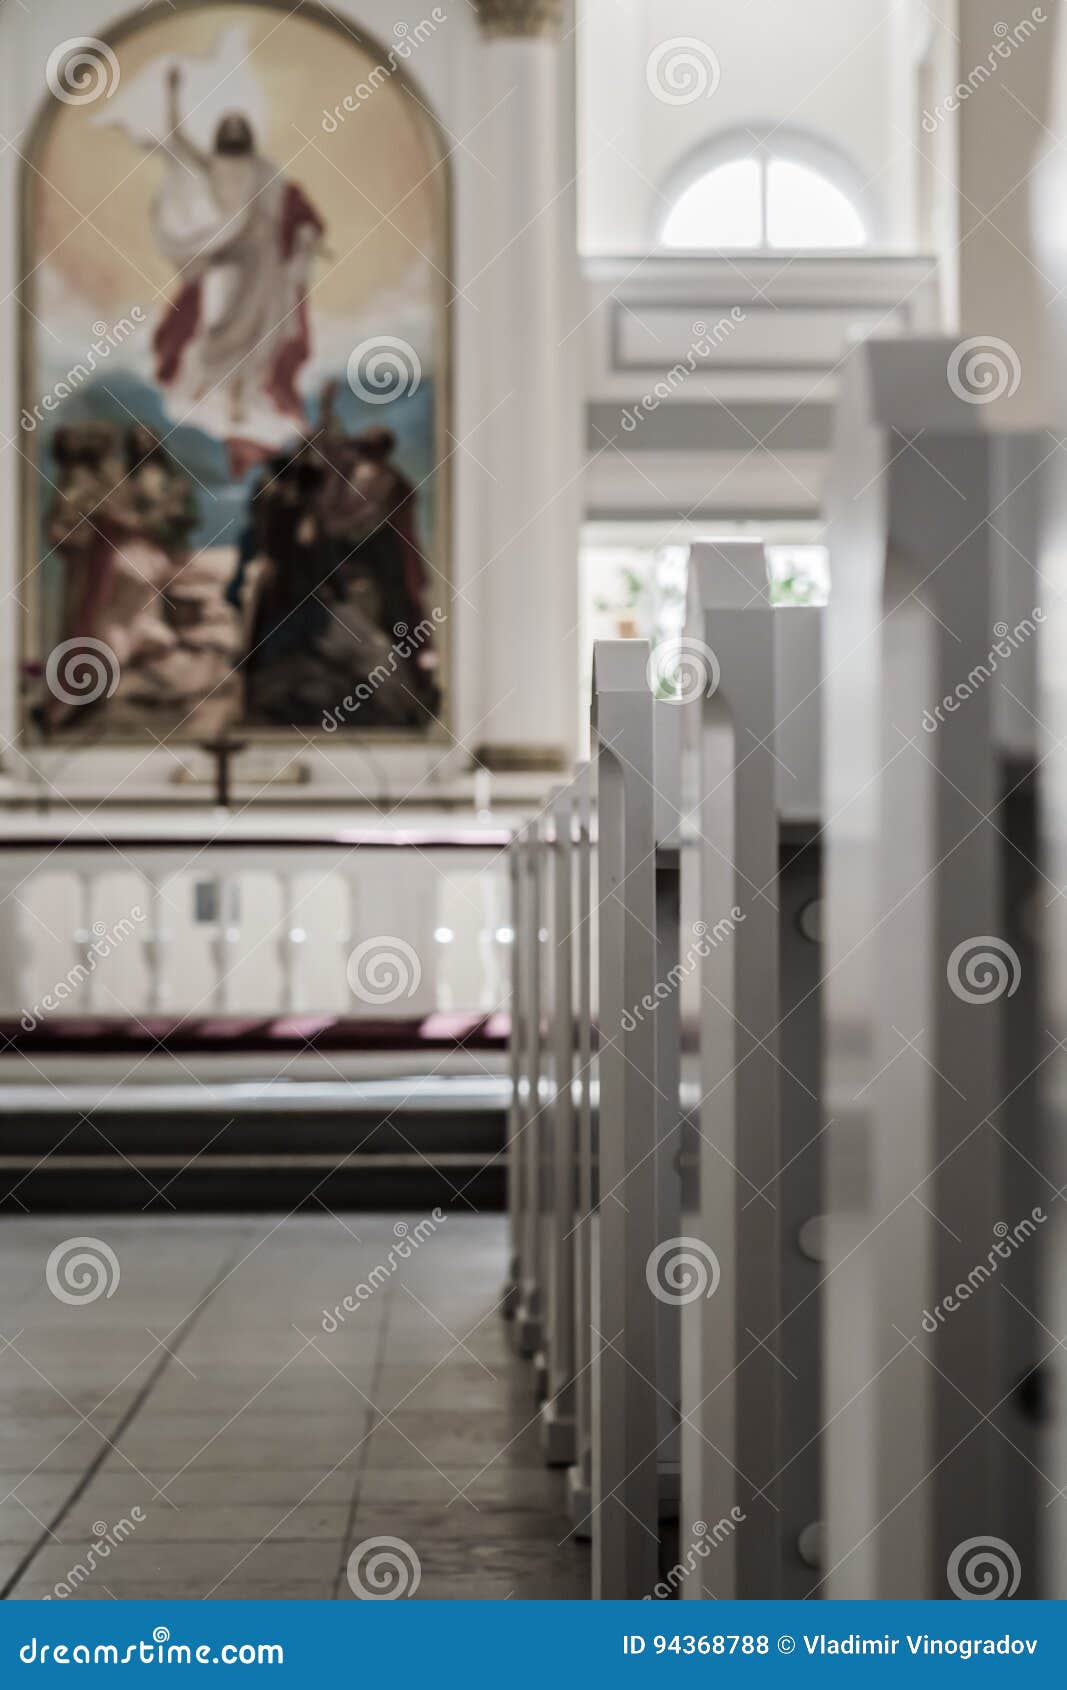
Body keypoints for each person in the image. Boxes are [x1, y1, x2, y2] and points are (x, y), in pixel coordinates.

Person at [150, 67, 325, 457]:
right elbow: (177, 140)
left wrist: (305, 235)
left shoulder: (265, 171)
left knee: (260, 332)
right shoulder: (215, 164)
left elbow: (295, 208)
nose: (230, 133)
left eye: (235, 127)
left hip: (264, 262)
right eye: (225, 127)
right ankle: (200, 388)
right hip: (228, 253)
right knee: (221, 325)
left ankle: (239, 400)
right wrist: (172, 94)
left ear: (244, 133)